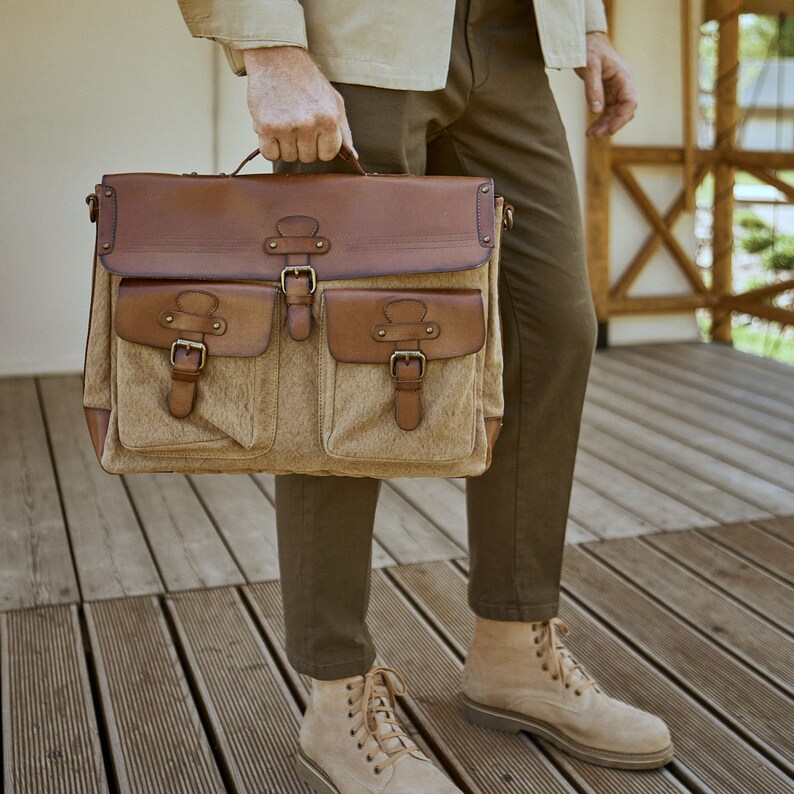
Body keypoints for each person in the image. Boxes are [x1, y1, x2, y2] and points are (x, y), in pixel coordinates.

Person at [177, 1, 674, 790]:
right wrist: (269, 44)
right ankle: (337, 697)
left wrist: (583, 23)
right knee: (341, 361)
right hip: (361, 39)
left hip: (511, 41)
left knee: (551, 329)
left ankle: (514, 651)